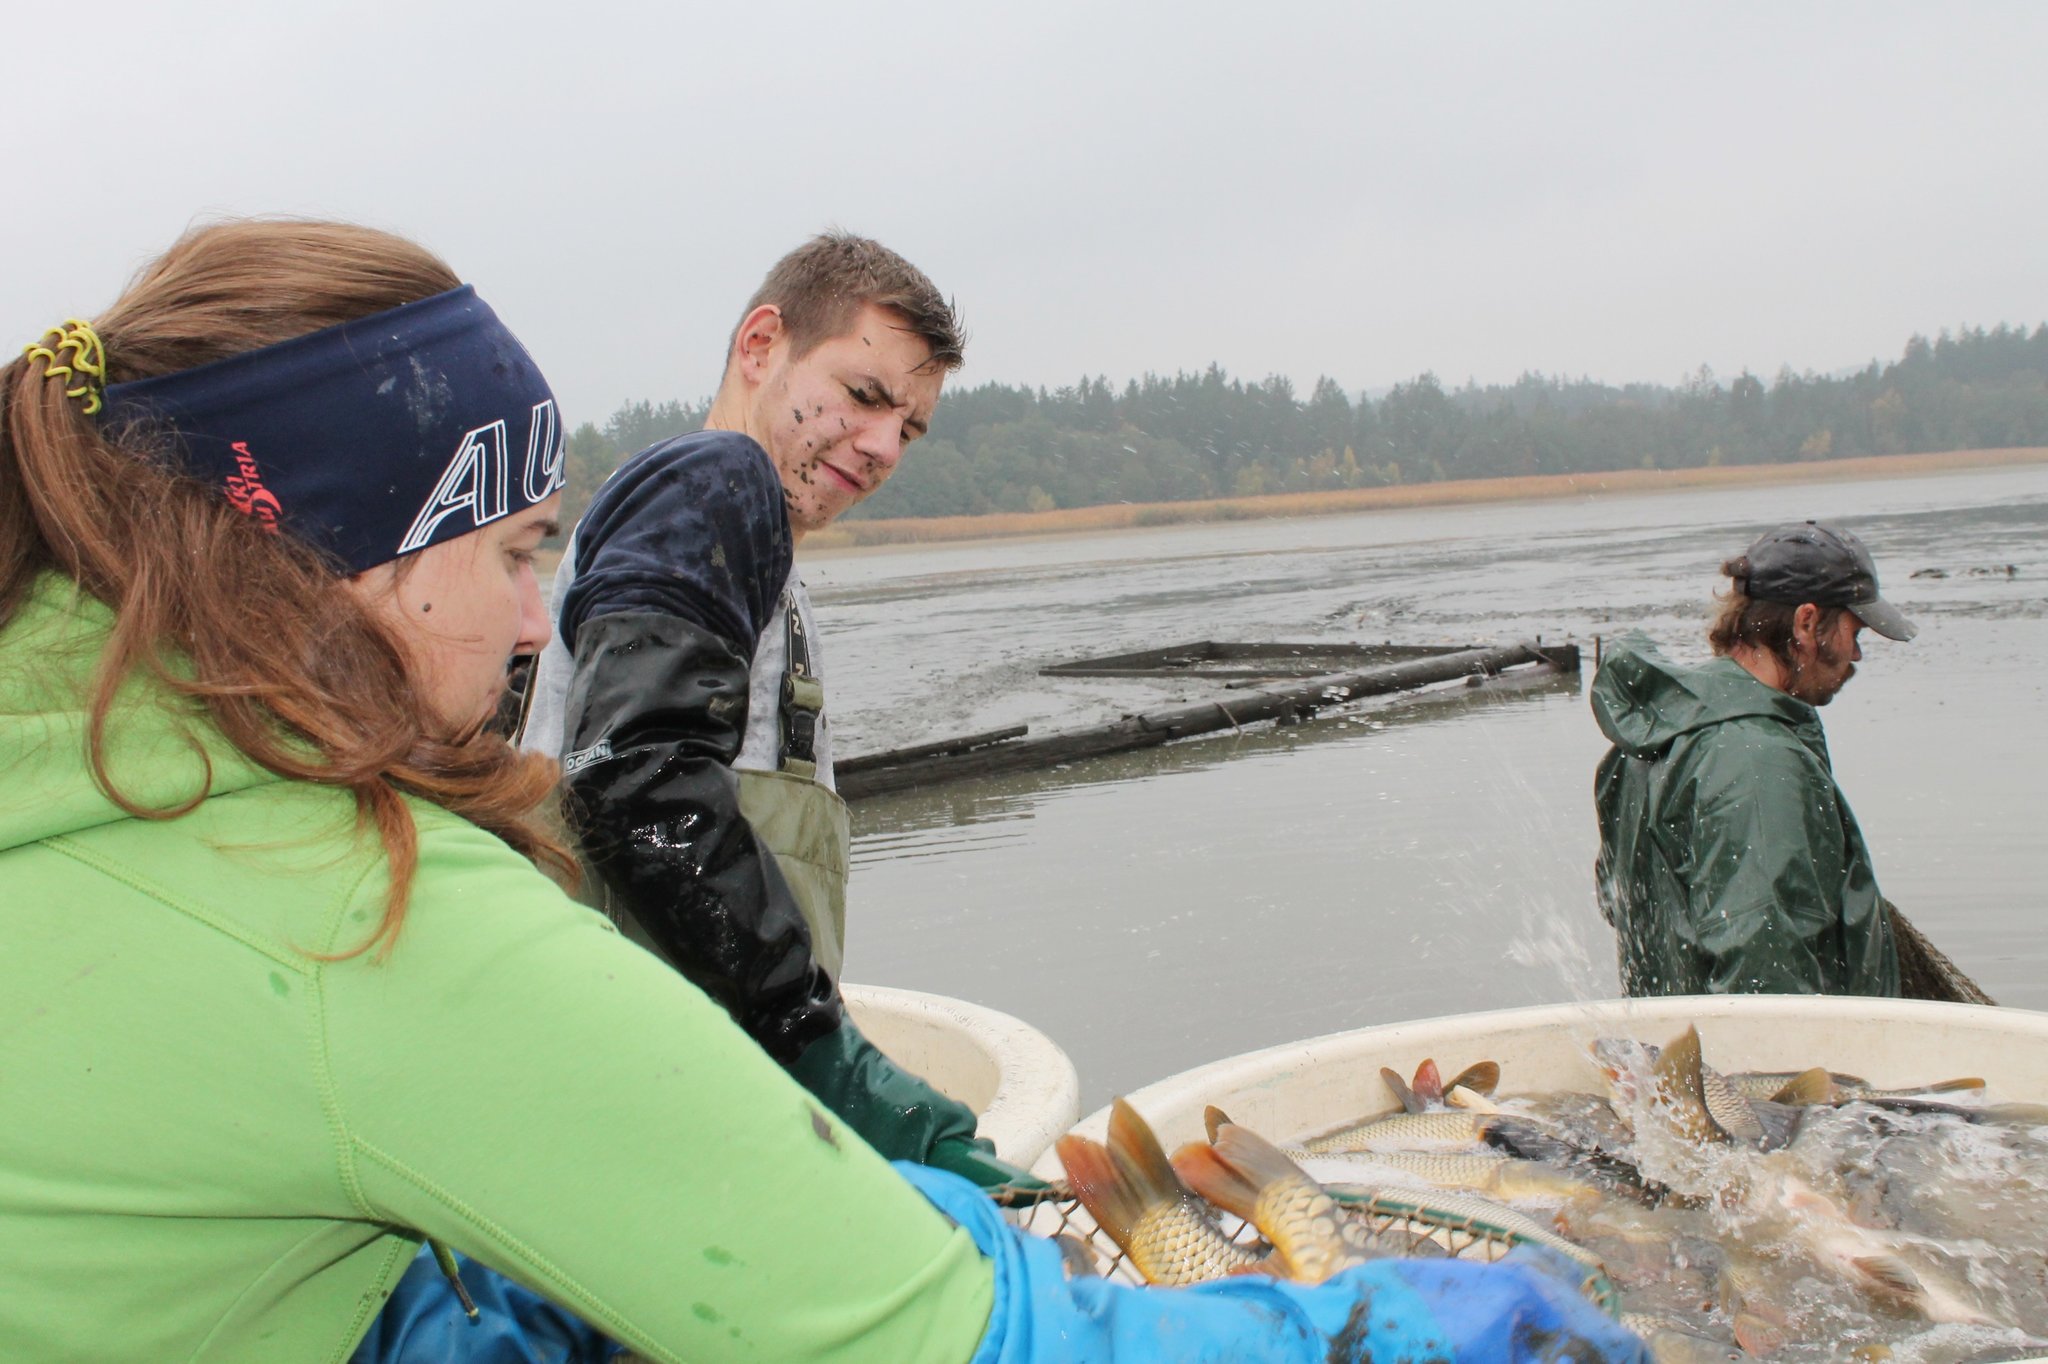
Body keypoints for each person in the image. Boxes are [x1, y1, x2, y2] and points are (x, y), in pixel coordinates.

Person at [0, 219, 1649, 1364]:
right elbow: (646, 789)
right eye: (512, 553)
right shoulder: (373, 921)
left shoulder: (82, 780)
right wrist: (819, 1059)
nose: (529, 622)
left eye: (910, 425)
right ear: (339, 555)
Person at [515, 233, 1024, 1186]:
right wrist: (821, 1049)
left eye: (909, 430)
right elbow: (634, 771)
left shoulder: (732, 539)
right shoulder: (717, 485)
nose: (880, 446)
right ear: (761, 346)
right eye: (865, 396)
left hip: (670, 1077)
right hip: (643, 1103)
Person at [1591, 520, 1916, 997]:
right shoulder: (1759, 761)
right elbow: (1764, 968)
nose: (1858, 654)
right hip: (1772, 1064)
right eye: (1855, 631)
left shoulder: (1655, 734)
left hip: (1678, 1055)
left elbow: (1618, 902)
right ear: (1806, 623)